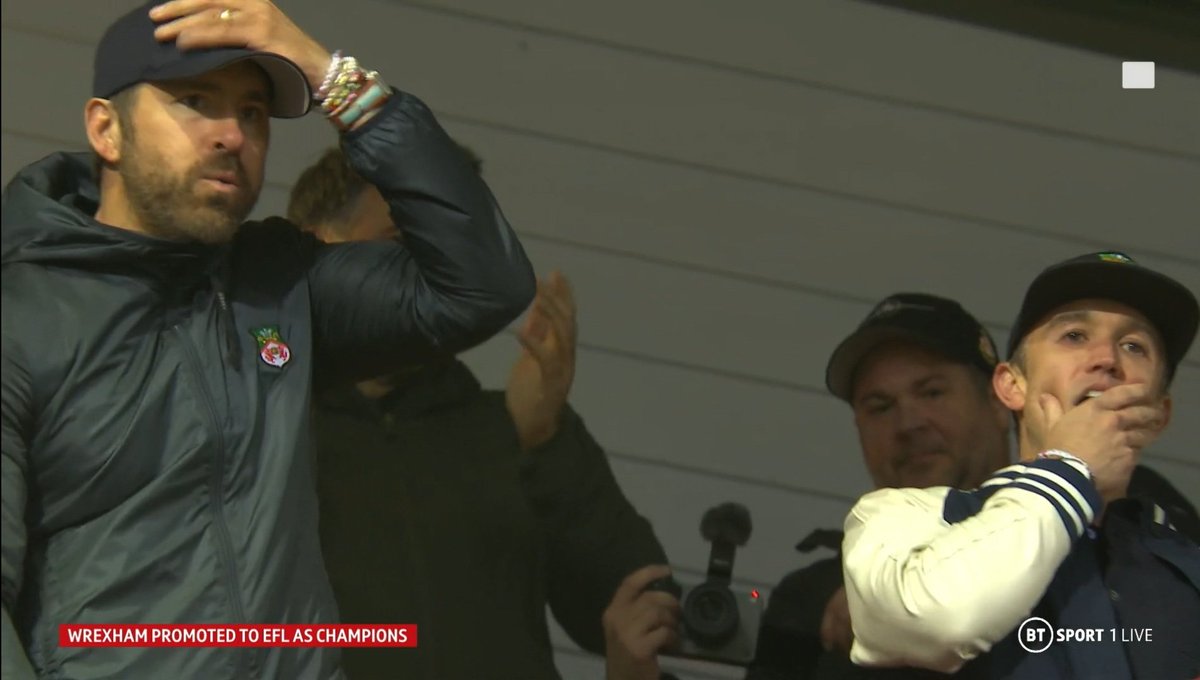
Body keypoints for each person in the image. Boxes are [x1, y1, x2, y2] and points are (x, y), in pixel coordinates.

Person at [0, 1, 535, 677]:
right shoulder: (20, 314)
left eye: (252, 112)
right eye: (196, 101)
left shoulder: (283, 284)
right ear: (107, 130)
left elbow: (484, 285)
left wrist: (333, 78)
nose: (232, 134)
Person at [289, 147, 672, 679]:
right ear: (314, 248)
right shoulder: (262, 428)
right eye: (402, 240)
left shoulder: (510, 426)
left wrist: (545, 440)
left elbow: (636, 611)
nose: (433, 269)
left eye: (449, 249)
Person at [843, 252, 1200, 679]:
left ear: (1159, 413)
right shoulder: (903, 516)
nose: (1106, 358)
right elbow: (932, 622)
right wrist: (1069, 469)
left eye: (1133, 346)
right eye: (1074, 336)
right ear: (1011, 386)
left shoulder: (1187, 563)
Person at [747, 293, 1011, 680]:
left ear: (998, 403)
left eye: (932, 392)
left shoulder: (1082, 558)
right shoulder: (813, 603)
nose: (908, 424)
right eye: (880, 407)